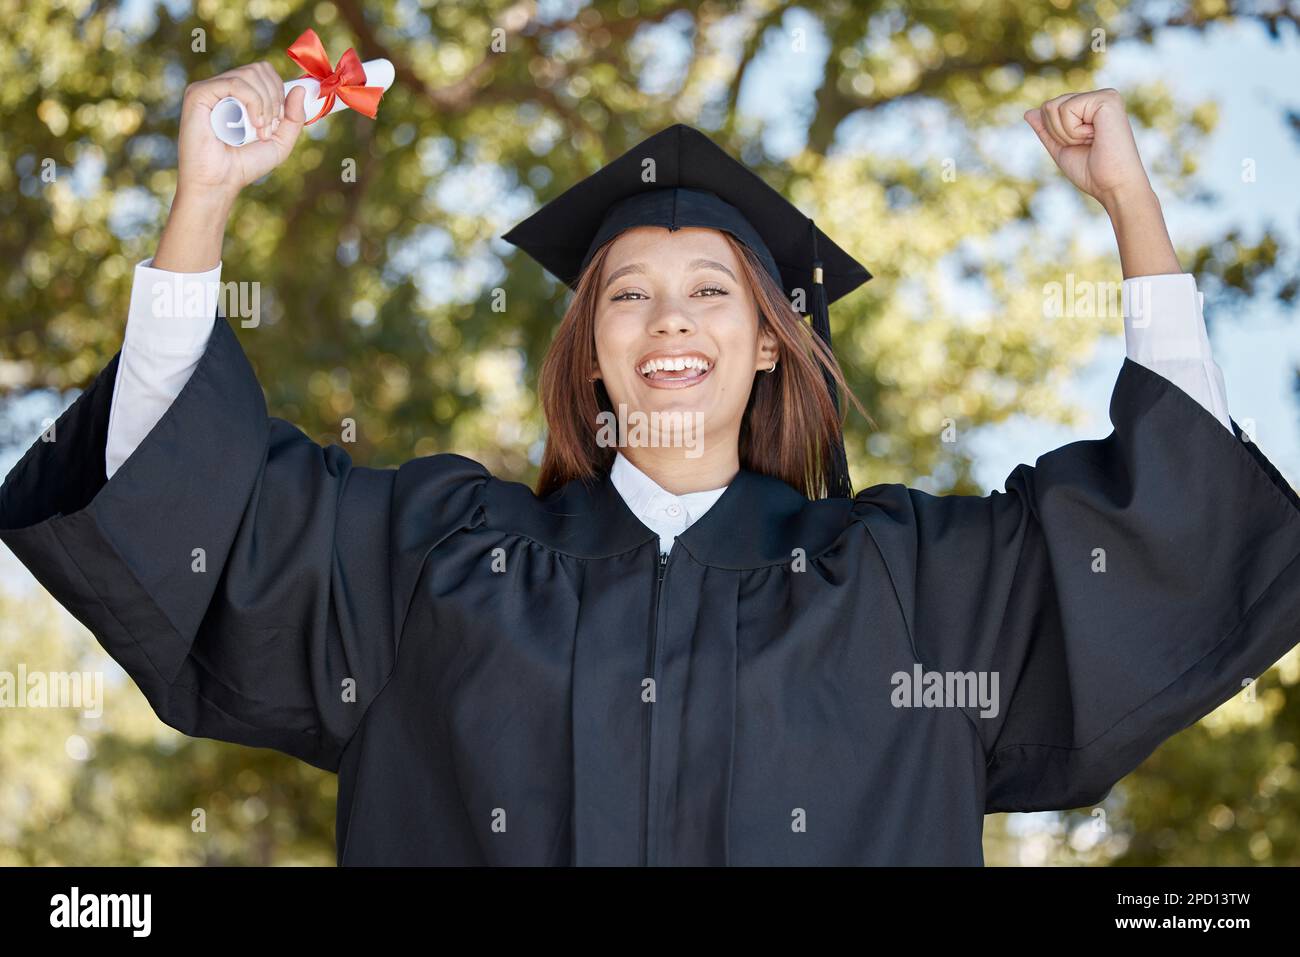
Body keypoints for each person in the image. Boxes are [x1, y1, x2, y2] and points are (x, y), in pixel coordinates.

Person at [1, 67, 1297, 866]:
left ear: (774, 346)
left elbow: (1158, 528)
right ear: (592, 353)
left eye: (710, 292)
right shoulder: (437, 564)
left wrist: (1131, 209)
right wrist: (205, 202)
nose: (670, 320)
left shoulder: (907, 587)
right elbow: (202, 508)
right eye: (628, 293)